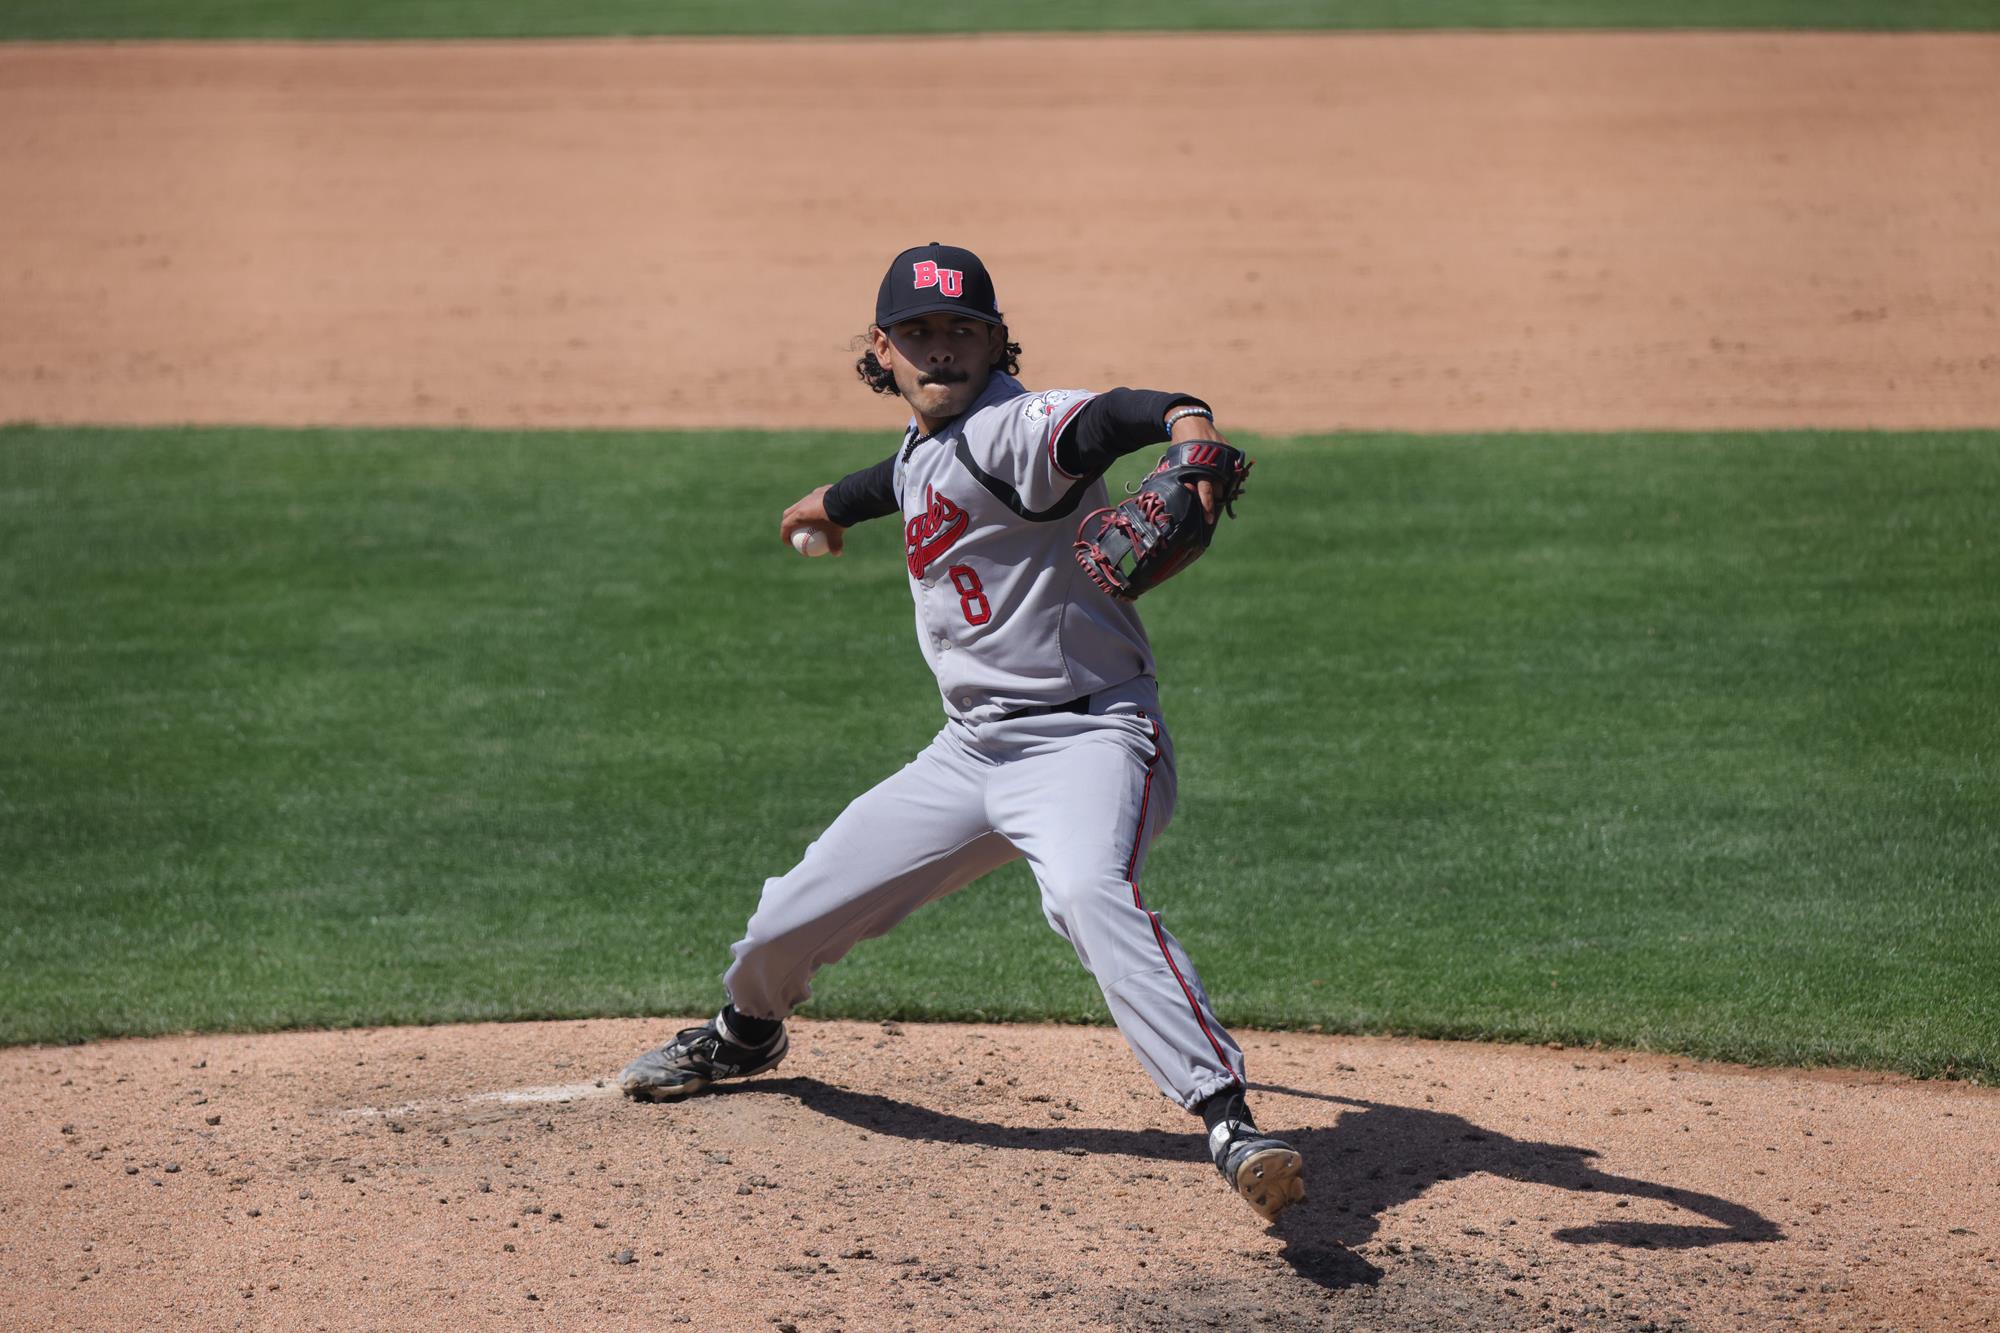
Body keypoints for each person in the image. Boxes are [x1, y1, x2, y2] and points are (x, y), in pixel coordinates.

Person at [619, 243, 1304, 1224]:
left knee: (1085, 893)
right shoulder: (931, 441)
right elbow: (908, 477)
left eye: (961, 330)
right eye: (918, 333)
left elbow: (1110, 416)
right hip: (969, 752)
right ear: (881, 349)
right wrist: (828, 503)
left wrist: (1186, 420)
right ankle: (746, 1031)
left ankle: (1227, 1119)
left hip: (1087, 741)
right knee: (785, 917)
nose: (940, 348)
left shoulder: (1020, 427)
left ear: (993, 341)